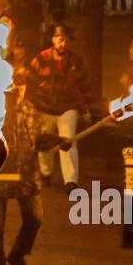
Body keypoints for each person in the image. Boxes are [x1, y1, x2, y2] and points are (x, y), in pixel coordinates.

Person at [0, 67, 45, 265]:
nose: (18, 87)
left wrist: (56, 141)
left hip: (27, 173)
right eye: (14, 82)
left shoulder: (30, 109)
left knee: (35, 218)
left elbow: (37, 139)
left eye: (21, 82)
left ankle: (18, 255)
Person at [27, 25, 96, 192]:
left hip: (67, 107)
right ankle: (46, 173)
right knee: (44, 142)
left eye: (66, 39)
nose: (63, 43)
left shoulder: (76, 61)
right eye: (60, 39)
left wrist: (87, 109)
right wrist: (30, 106)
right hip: (44, 107)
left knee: (69, 140)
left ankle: (71, 181)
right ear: (53, 40)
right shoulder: (41, 59)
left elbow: (85, 85)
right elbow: (30, 83)